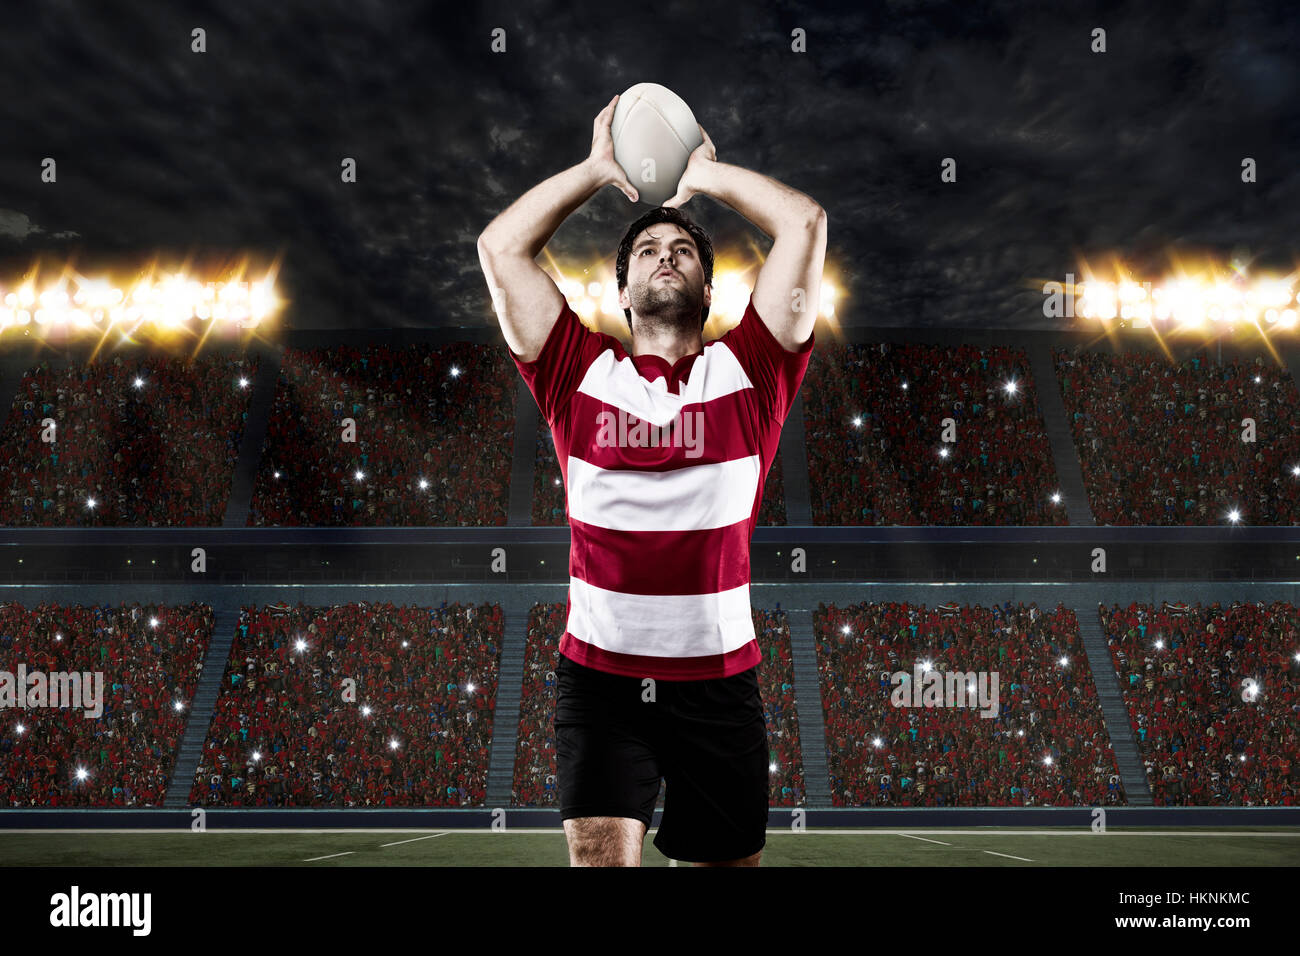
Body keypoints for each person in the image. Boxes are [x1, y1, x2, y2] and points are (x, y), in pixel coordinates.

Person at [477, 94, 826, 866]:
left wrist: (704, 174)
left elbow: (804, 224)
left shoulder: (753, 373)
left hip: (720, 685)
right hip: (600, 681)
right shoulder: (577, 372)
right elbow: (501, 250)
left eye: (685, 250)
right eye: (646, 251)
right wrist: (596, 170)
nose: (667, 253)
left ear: (708, 290)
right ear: (623, 293)